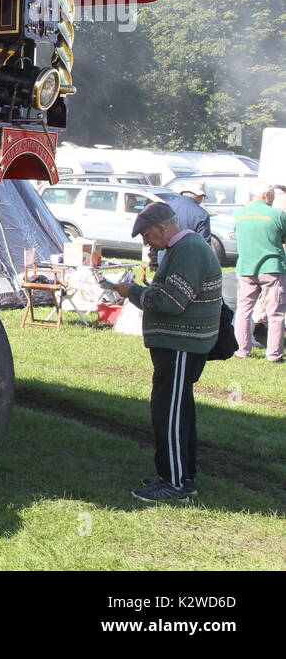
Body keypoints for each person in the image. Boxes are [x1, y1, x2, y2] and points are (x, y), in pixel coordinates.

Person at [104, 202, 222, 503]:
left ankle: (173, 483)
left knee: (168, 413)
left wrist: (132, 292)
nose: (146, 243)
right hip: (180, 345)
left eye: (146, 235)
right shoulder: (185, 247)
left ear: (162, 228)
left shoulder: (187, 249)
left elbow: (172, 301)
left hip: (180, 346)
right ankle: (182, 476)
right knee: (178, 412)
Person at [231, 183, 286, 362]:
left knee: (243, 310)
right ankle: (274, 355)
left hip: (246, 268)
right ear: (265, 194)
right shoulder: (277, 214)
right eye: (271, 195)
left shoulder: (239, 214)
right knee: (275, 313)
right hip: (271, 269)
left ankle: (241, 349)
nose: (272, 198)